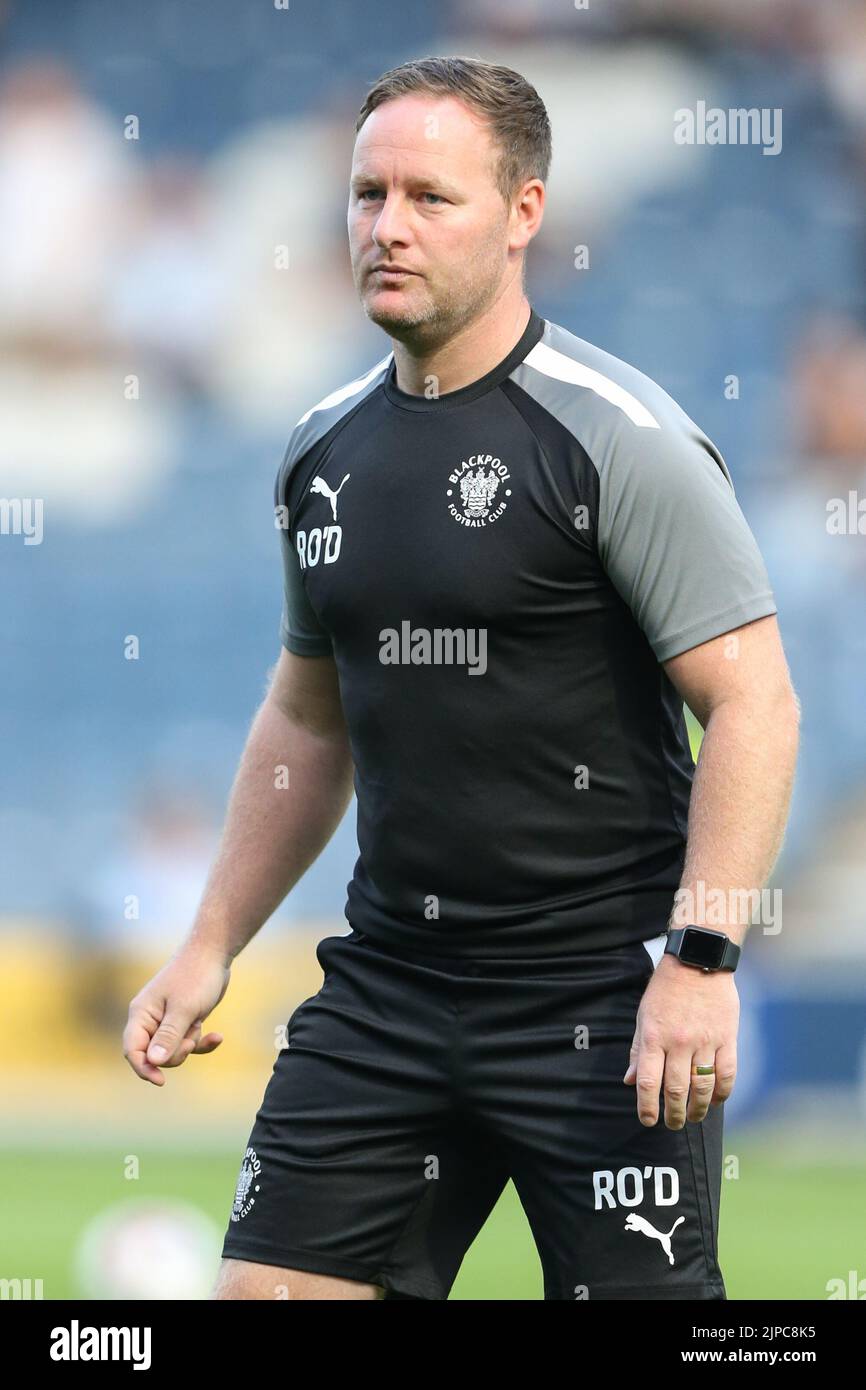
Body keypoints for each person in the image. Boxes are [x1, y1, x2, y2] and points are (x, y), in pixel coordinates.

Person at [123, 56, 800, 1301]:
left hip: (600, 1000)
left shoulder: (618, 438)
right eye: (366, 193)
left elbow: (753, 699)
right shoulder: (317, 451)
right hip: (388, 989)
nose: (386, 226)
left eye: (430, 197)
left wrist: (699, 964)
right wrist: (210, 940)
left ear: (523, 214)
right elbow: (305, 713)